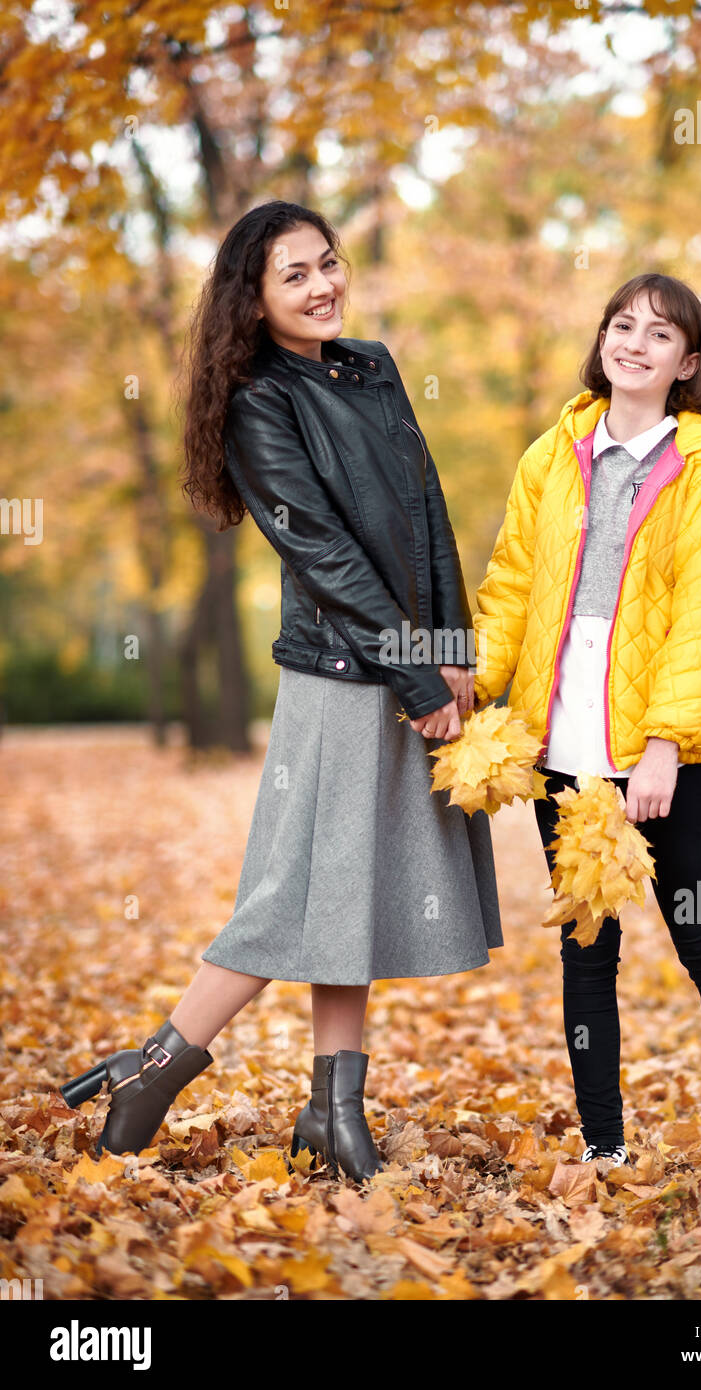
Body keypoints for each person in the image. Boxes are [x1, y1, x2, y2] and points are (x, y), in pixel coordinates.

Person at [59, 201, 502, 1183]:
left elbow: (426, 517)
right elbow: (323, 553)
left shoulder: (373, 366)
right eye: (293, 275)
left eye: (327, 264)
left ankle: (331, 1110)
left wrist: (449, 645)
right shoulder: (259, 399)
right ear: (253, 303)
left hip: (407, 662)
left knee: (348, 895)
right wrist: (414, 668)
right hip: (340, 679)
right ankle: (156, 1066)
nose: (321, 286)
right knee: (292, 894)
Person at [472, 272, 701, 1193]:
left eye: (659, 334)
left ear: (688, 363)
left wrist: (664, 746)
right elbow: (512, 586)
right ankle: (603, 1144)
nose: (634, 343)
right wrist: (472, 690)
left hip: (653, 745)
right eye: (621, 325)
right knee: (586, 948)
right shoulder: (552, 453)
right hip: (562, 737)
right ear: (602, 341)